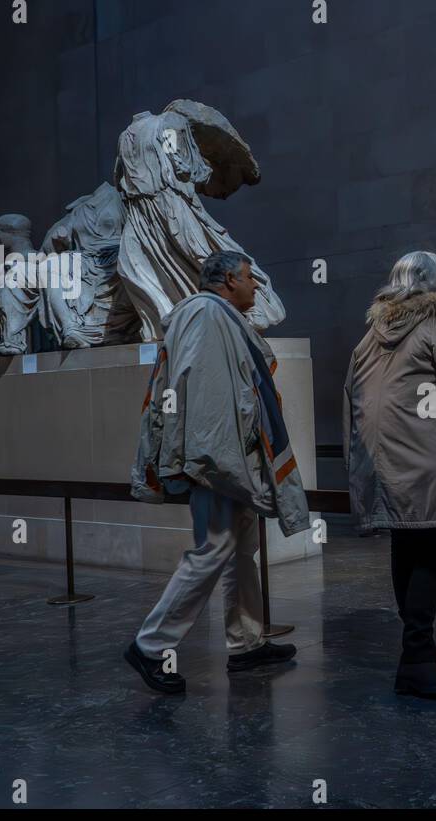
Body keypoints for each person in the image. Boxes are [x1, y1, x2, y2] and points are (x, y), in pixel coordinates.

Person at [126, 250, 309, 694]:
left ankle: (245, 643)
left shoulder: (218, 314)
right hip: (219, 460)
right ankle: (151, 646)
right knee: (213, 549)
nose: (256, 286)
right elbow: (198, 388)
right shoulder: (205, 313)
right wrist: (215, 462)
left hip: (232, 457)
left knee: (239, 550)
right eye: (250, 277)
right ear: (228, 278)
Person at [343, 251, 436, 698]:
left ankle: (420, 646)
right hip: (428, 459)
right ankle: (416, 659)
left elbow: (350, 400)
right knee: (434, 544)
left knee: (409, 544)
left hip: (381, 461)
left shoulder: (370, 336)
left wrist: (358, 464)